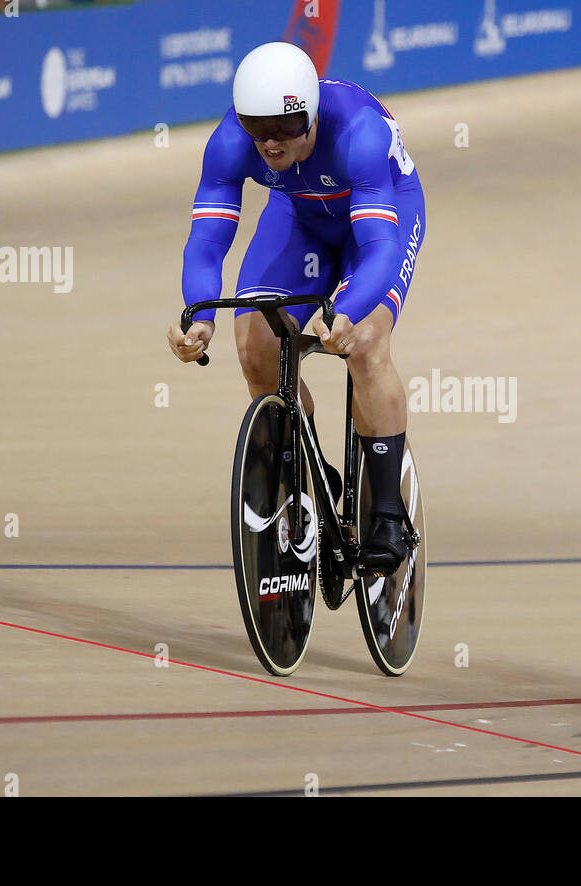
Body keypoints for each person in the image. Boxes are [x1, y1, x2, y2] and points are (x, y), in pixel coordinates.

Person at [167, 41, 425, 575]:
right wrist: (198, 315)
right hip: (300, 217)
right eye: (257, 127)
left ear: (309, 116)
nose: (270, 142)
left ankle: (386, 513)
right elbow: (208, 240)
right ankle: (315, 474)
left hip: (379, 217)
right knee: (255, 346)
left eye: (284, 129)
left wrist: (344, 310)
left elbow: (378, 248)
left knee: (366, 341)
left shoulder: (359, 133)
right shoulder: (230, 143)